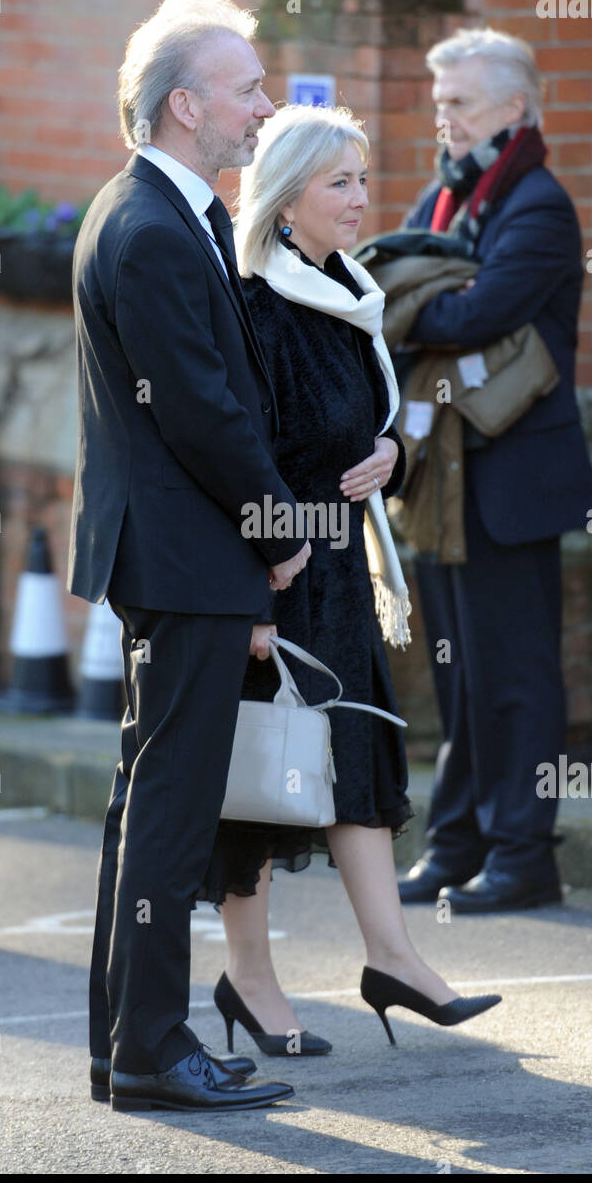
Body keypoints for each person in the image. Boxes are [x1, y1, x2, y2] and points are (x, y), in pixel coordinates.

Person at [193, 104, 501, 1053]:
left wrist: (389, 459)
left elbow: (371, 432)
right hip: (275, 576)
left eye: (364, 179)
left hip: (339, 573)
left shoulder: (347, 292)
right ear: (286, 201)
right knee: (261, 779)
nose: (364, 199)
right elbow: (231, 457)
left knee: (357, 765)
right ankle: (247, 979)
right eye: (341, 183)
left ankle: (394, 958)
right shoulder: (253, 304)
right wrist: (251, 599)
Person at [68, 0, 312, 1112]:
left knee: (151, 802)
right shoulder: (152, 226)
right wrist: (279, 528)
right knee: (170, 809)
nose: (265, 106)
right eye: (249, 87)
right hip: (185, 557)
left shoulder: (161, 211)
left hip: (172, 555)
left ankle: (126, 1040)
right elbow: (206, 414)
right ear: (185, 103)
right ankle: (156, 1049)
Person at [395, 28, 592, 914]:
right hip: (446, 472)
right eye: (439, 102)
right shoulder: (450, 195)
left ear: (514, 108)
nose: (442, 118)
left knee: (516, 676)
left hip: (512, 482)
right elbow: (392, 275)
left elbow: (472, 313)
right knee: (460, 672)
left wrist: (408, 301)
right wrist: (409, 295)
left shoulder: (540, 206)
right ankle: (457, 844)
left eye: (460, 103)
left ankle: (525, 856)